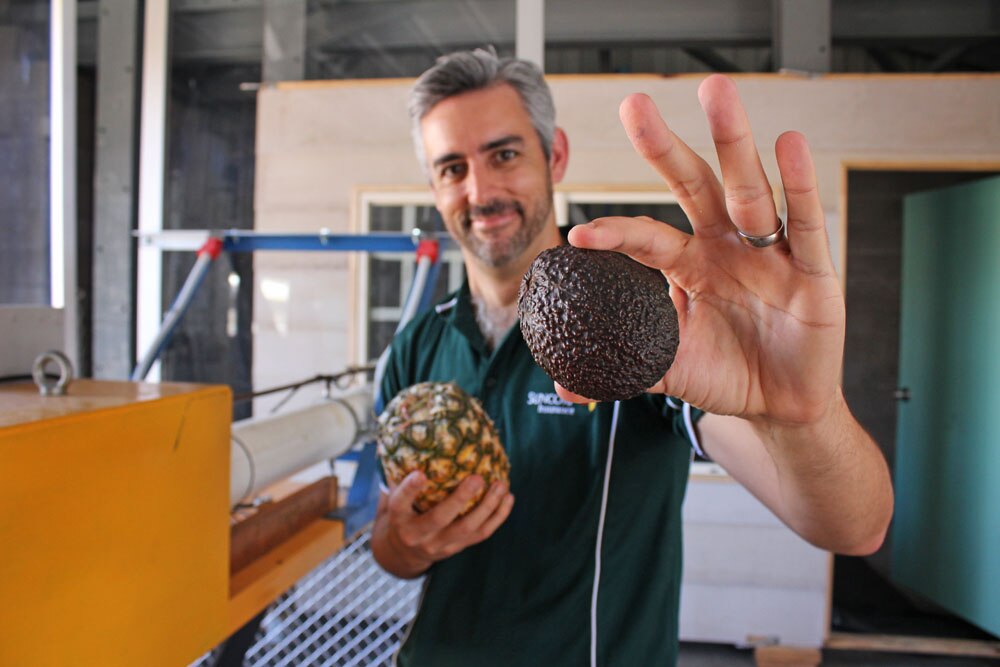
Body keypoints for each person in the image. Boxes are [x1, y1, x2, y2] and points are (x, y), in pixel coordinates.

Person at [370, 48, 893, 666]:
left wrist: (805, 413)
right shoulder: (415, 346)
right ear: (434, 186)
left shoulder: (631, 333)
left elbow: (852, 528)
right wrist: (399, 546)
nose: (480, 190)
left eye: (504, 154)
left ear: (554, 155)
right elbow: (394, 538)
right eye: (452, 168)